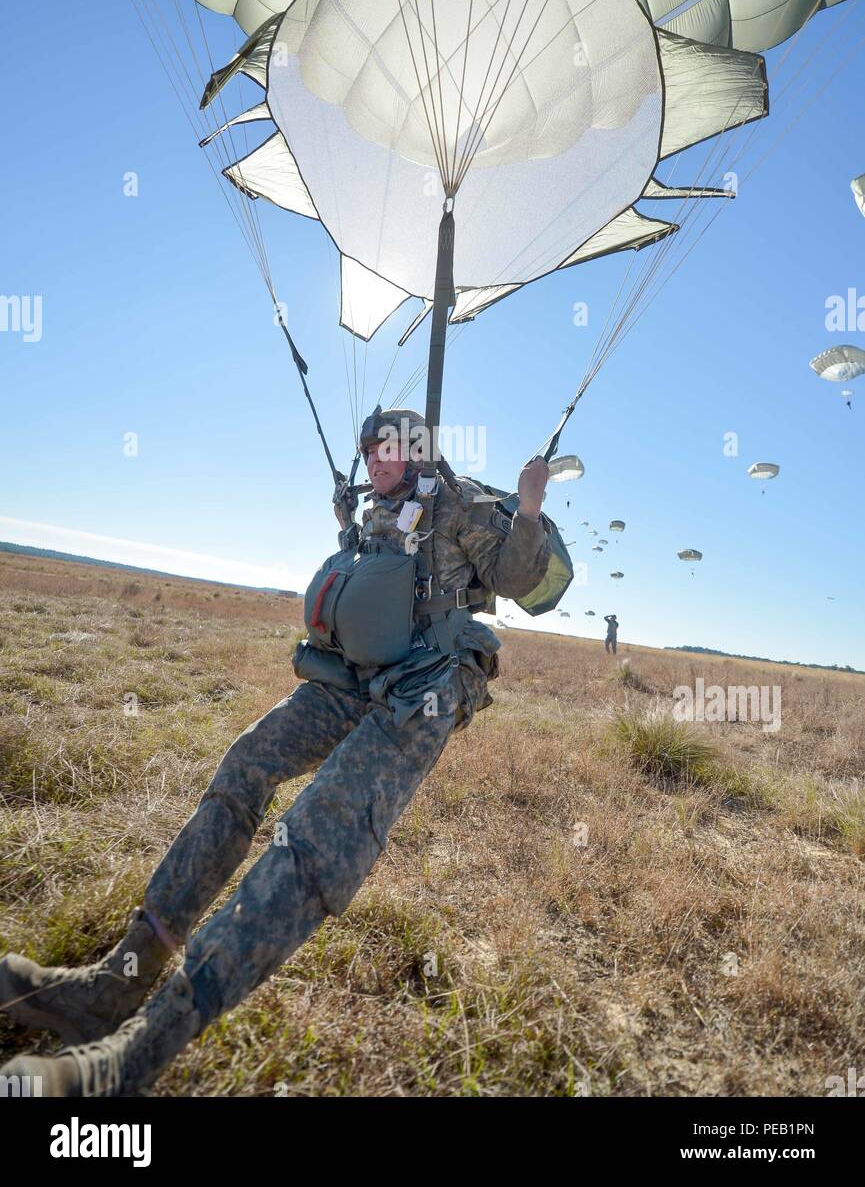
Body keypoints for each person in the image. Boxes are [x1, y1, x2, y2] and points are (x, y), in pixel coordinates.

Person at [0, 408, 551, 1097]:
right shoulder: (370, 512)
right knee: (246, 763)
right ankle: (113, 986)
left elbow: (522, 582)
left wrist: (527, 508)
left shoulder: (460, 503)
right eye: (369, 448)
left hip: (426, 690)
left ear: (417, 452)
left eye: (390, 447)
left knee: (312, 840)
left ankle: (130, 1060)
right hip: (350, 679)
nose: (376, 458)